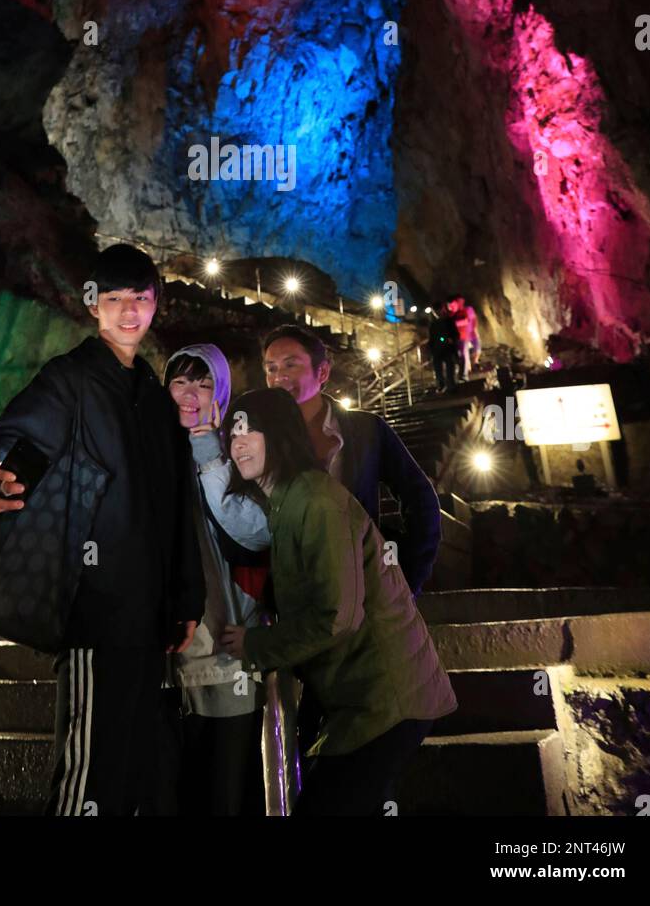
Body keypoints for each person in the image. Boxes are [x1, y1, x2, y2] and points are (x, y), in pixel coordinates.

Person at [0, 243, 205, 816]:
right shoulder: (70, 381)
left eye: (140, 298)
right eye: (114, 299)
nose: (129, 312)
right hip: (95, 614)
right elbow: (15, 440)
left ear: (156, 303)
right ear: (94, 306)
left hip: (152, 621)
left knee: (142, 775)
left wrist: (187, 596)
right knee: (88, 776)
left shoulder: (158, 405)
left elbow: (176, 506)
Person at [218, 389, 458, 816]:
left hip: (386, 697)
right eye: (233, 431)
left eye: (252, 429)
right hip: (364, 700)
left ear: (282, 434)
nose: (240, 441)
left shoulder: (315, 500)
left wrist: (256, 645)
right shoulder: (287, 501)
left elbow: (336, 616)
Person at [160, 344, 271, 815]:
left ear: (221, 394)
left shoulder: (237, 449)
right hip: (170, 654)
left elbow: (255, 530)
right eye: (181, 382)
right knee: (179, 791)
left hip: (229, 648)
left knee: (229, 791)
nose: (191, 394)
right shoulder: (151, 451)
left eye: (204, 384)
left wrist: (209, 450)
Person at [262, 326, 441, 595]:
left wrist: (408, 578)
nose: (279, 377)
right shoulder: (259, 439)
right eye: (271, 368)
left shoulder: (365, 430)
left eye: (291, 365)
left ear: (321, 372)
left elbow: (420, 499)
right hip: (293, 599)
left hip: (363, 589)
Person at [428, 303, 460, 392]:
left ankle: (451, 384)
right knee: (439, 368)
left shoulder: (448, 321)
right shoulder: (433, 324)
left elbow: (456, 334)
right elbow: (431, 337)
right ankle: (442, 384)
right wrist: (431, 349)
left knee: (450, 366)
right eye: (435, 311)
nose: (437, 313)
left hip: (447, 347)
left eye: (438, 311)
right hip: (437, 349)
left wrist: (452, 339)